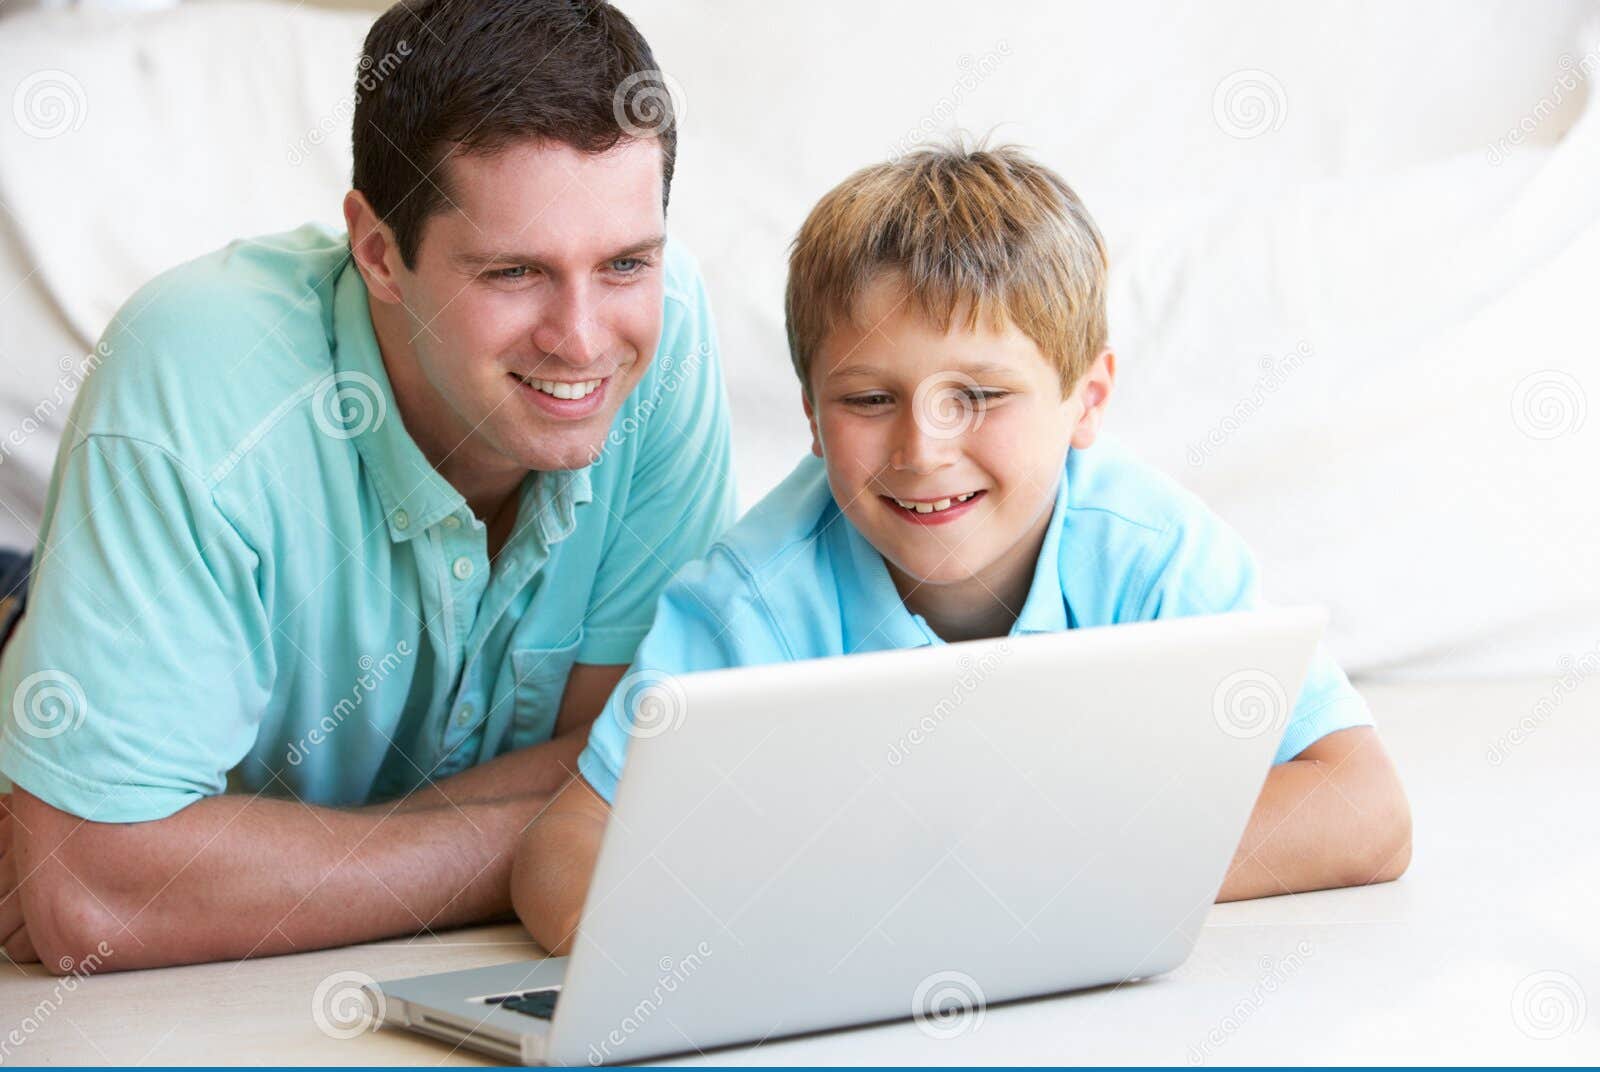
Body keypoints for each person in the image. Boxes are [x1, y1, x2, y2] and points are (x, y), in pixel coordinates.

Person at [511, 142, 1412, 955]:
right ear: (812, 420)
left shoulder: (1151, 553)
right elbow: (562, 849)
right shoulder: (756, 599)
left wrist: (1029, 878)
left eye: (979, 394)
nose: (922, 448)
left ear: (1087, 400)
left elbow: (1367, 810)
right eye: (868, 399)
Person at [0, 0, 735, 973]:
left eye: (625, 262)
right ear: (380, 252)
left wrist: (245, 864)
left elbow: (652, 765)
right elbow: (90, 895)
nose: (586, 337)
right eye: (515, 271)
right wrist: (552, 835)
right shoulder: (194, 371)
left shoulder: (666, 340)